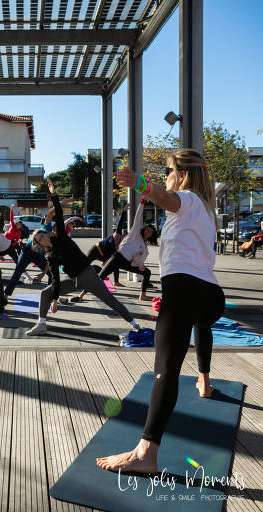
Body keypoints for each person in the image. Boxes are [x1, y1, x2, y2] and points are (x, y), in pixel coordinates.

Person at [97, 149, 224, 474]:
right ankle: (204, 381)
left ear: (181, 174)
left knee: (164, 370)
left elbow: (166, 197)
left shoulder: (188, 199)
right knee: (196, 324)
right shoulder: (207, 209)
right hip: (208, 298)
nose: (166, 174)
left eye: (169, 170)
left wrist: (141, 182)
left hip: (185, 291)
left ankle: (146, 453)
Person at [26, 179, 140, 336]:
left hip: (87, 274)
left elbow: (59, 213)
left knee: (109, 301)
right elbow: (55, 279)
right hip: (74, 279)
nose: (43, 239)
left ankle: (134, 324)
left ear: (48, 234)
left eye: (42, 236)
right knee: (45, 293)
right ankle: (41, 324)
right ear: (39, 245)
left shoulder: (61, 237)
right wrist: (54, 299)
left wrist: (53, 193)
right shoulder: (50, 255)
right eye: (39, 240)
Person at [74, 199, 157, 303]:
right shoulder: (135, 234)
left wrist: (140, 265)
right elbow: (137, 218)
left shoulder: (144, 247)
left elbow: (137, 259)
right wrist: (142, 203)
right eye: (146, 230)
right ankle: (81, 295)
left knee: (147, 272)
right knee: (100, 277)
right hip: (117, 257)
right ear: (143, 229)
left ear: (152, 235)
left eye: (150, 232)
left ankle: (143, 295)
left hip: (127, 262)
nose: (147, 232)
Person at [84, 204, 130, 287]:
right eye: (124, 237)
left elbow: (114, 253)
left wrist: (107, 260)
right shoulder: (118, 234)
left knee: (116, 263)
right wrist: (124, 211)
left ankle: (116, 282)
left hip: (104, 255)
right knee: (84, 265)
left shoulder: (122, 244)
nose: (123, 239)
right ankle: (75, 277)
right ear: (123, 235)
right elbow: (120, 222)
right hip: (96, 250)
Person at [3, 228, 52, 296]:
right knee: (17, 273)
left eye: (42, 237)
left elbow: (50, 262)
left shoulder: (52, 241)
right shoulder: (40, 237)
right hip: (27, 251)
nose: (43, 240)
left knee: (51, 274)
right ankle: (5, 295)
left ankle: (51, 296)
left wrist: (43, 274)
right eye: (40, 239)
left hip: (37, 255)